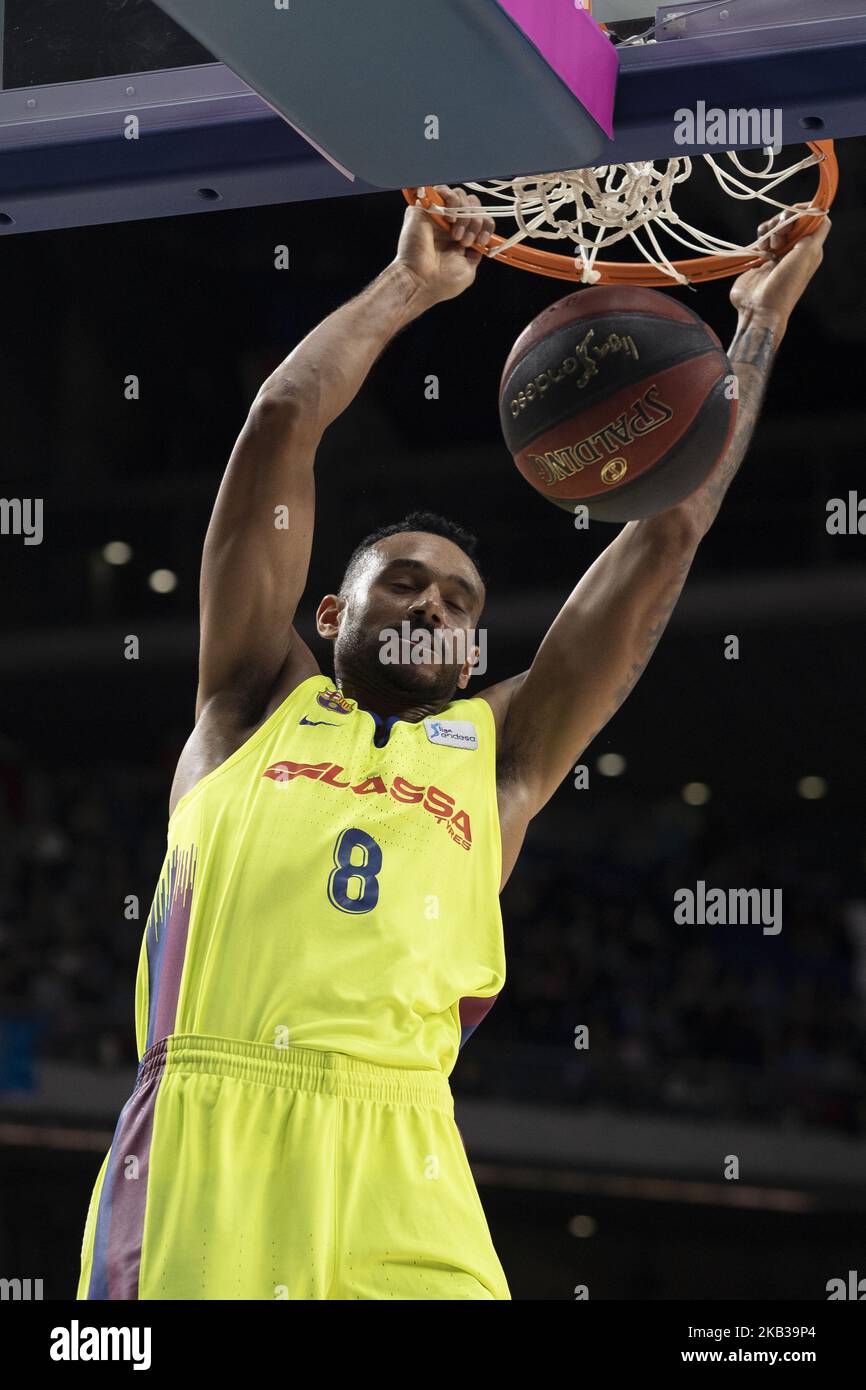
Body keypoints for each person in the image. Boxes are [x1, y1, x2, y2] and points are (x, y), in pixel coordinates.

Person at [78, 189, 829, 1300]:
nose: (433, 606)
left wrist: (756, 321)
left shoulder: (499, 759)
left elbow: (668, 522)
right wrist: (407, 288)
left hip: (405, 1149)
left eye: (459, 599)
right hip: (210, 1130)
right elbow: (282, 417)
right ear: (331, 616)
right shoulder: (247, 700)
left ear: (475, 648)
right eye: (404, 583)